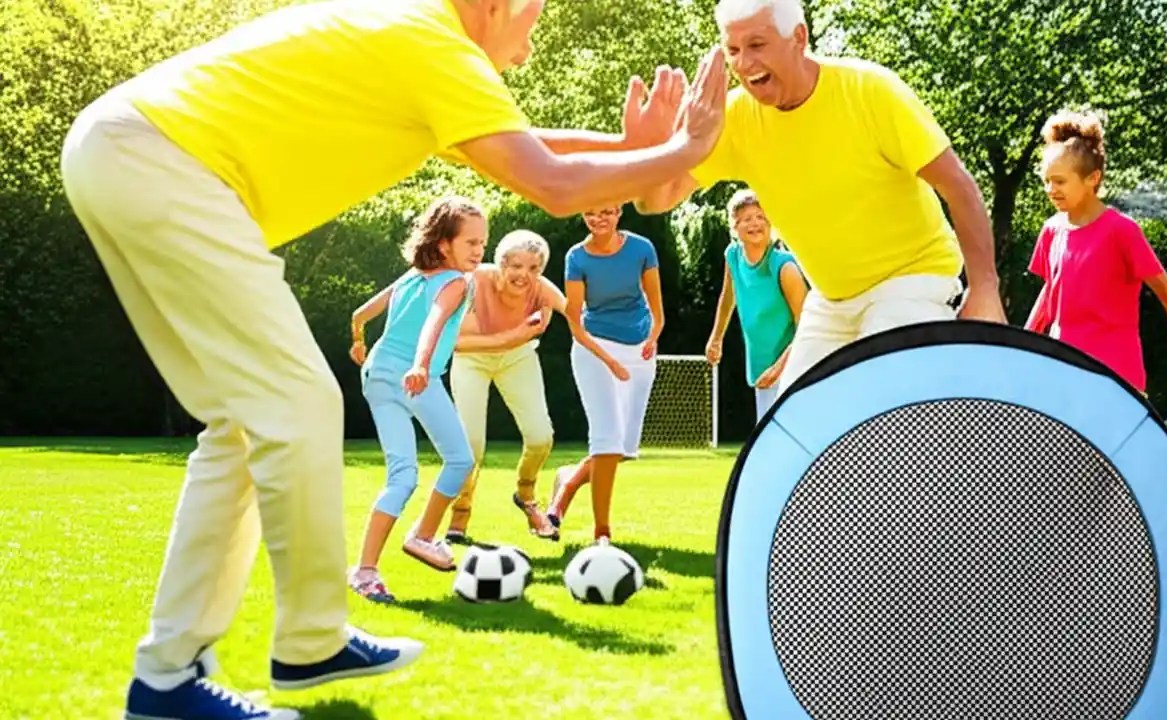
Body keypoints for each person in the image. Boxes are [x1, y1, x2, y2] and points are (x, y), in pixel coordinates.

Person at [59, 0, 727, 715]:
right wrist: (683, 148)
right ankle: (311, 642)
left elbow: (529, 146)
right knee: (298, 403)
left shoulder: (419, 37)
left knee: (246, 426)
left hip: (128, 155)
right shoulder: (432, 42)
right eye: (533, 8)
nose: (537, 26)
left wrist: (632, 149)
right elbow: (551, 184)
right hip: (161, 162)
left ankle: (167, 678)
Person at [634, 0, 1006, 394]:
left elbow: (957, 184)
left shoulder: (869, 91)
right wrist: (659, 149)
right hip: (831, 298)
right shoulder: (736, 118)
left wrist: (984, 289)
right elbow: (654, 201)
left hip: (913, 278)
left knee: (882, 398)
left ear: (799, 38)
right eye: (733, 50)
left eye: (757, 45)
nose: (743, 63)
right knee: (795, 422)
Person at [445, 229, 627, 544]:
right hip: (471, 362)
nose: (523, 275)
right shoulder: (474, 281)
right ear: (500, 263)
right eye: (515, 266)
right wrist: (507, 337)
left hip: (517, 359)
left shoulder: (541, 289)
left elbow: (578, 318)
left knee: (541, 437)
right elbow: (452, 342)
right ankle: (461, 511)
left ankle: (526, 495)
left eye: (533, 268)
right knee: (471, 445)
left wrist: (615, 356)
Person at [346, 197, 485, 603]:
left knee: (403, 476)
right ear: (444, 245)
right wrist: (422, 365)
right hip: (413, 379)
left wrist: (358, 339)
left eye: (482, 242)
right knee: (458, 460)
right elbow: (434, 323)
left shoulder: (412, 276)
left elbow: (360, 312)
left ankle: (365, 571)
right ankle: (422, 536)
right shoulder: (457, 282)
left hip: (376, 376)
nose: (478, 250)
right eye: (470, 243)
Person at [1024, 109, 1167, 395]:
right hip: (1063, 369)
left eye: (1059, 181)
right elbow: (1050, 292)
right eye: (1046, 180)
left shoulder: (1121, 231)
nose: (1050, 189)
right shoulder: (1051, 230)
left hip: (1117, 375)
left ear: (1092, 178)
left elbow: (1166, 290)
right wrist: (1024, 343)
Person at [546, 207, 662, 544]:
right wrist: (609, 361)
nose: (600, 219)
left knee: (623, 448)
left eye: (608, 212)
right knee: (605, 438)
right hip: (593, 347)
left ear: (619, 211)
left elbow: (657, 308)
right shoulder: (577, 258)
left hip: (639, 349)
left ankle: (567, 482)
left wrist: (653, 337)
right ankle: (602, 532)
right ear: (582, 214)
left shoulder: (642, 248)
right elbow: (575, 322)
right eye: (592, 213)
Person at [705, 189, 807, 420]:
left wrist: (779, 368)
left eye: (761, 217)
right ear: (735, 227)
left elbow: (808, 325)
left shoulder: (784, 266)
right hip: (761, 364)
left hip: (794, 365)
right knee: (768, 438)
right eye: (747, 219)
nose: (755, 224)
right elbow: (728, 294)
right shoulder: (733, 255)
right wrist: (716, 337)